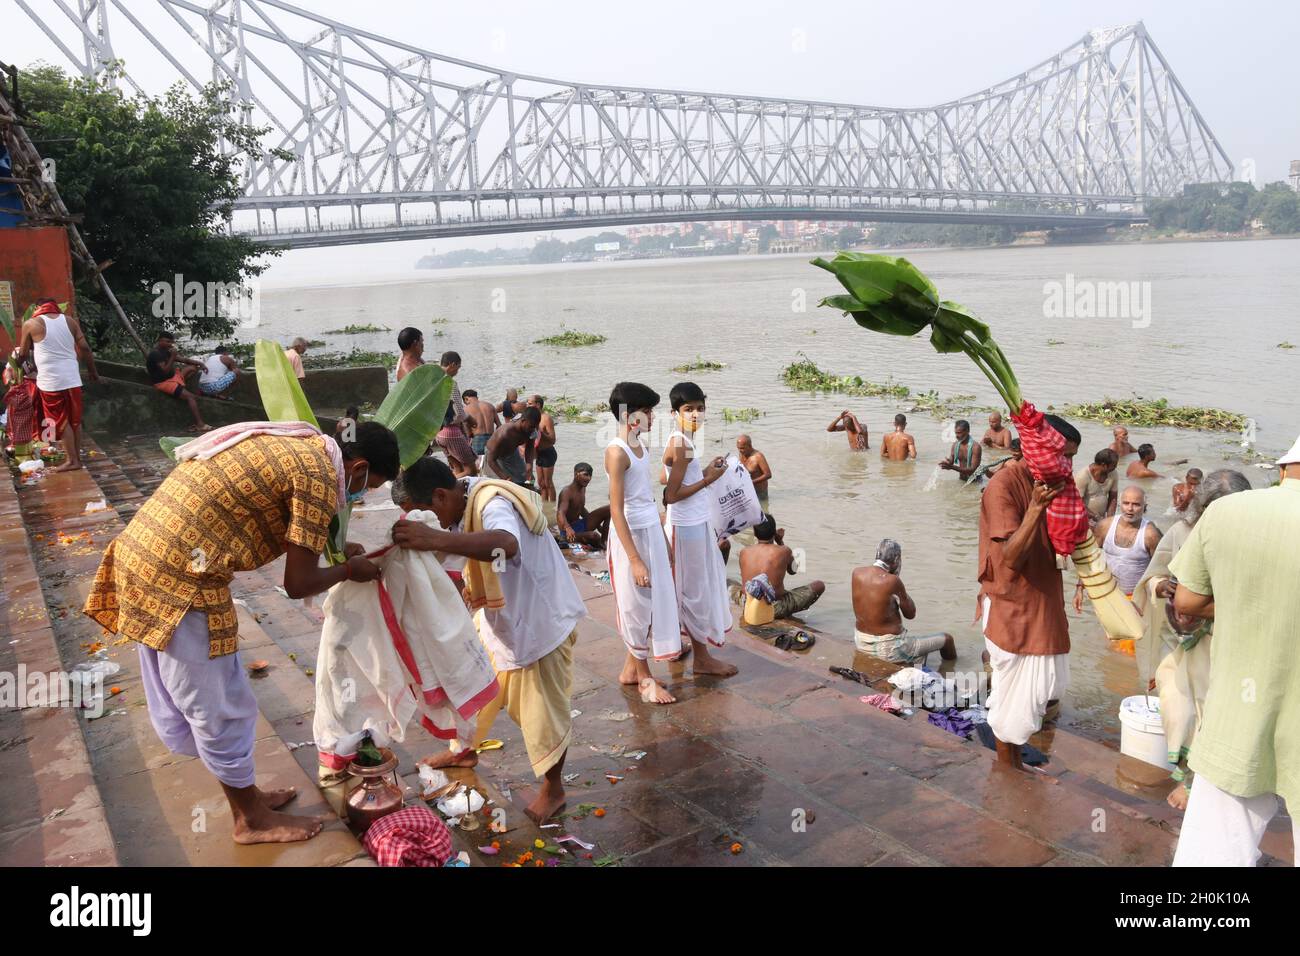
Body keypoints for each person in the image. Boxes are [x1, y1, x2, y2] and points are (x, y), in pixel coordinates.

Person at [83, 420, 398, 843]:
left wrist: (340, 555)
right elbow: (297, 584)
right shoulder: (320, 474)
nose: (362, 495)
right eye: (368, 486)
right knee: (218, 703)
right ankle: (249, 820)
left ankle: (248, 797)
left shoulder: (302, 443)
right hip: (181, 578)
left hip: (149, 554)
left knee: (221, 693)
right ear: (357, 466)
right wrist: (347, 571)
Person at [392, 457, 587, 824]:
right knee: (471, 686)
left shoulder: (492, 501)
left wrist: (435, 537)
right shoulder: (460, 503)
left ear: (438, 497)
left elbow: (506, 544)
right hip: (499, 616)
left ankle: (554, 788)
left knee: (541, 712)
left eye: (422, 515)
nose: (426, 525)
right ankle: (463, 751)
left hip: (538, 623)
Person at [1168, 437, 1300, 866]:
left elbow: (1185, 603)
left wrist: (1247, 604)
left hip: (1239, 716)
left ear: (1283, 470)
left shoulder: (1226, 512)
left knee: (1214, 848)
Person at [1132, 470, 1250, 810]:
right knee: (1180, 708)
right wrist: (1161, 587)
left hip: (1226, 640)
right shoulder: (1182, 532)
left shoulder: (1250, 541)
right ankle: (1186, 775)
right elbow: (1151, 578)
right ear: (1202, 508)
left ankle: (1203, 780)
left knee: (1217, 712)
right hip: (1179, 637)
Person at [978, 414, 1080, 771]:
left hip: (1042, 603)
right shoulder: (1003, 486)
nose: (1068, 465)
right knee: (1014, 700)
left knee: (1037, 694)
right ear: (1042, 452)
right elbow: (1010, 558)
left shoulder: (1055, 482)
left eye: (1072, 458)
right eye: (1063, 456)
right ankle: (1009, 770)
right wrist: (1036, 507)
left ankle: (1014, 759)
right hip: (1015, 609)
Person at [604, 382, 680, 704]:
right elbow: (616, 510)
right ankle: (645, 679)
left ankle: (629, 670)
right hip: (629, 537)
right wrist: (634, 558)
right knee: (635, 605)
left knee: (652, 600)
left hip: (650, 529)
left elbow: (647, 497)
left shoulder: (640, 447)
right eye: (647, 411)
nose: (652, 417)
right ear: (630, 414)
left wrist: (663, 539)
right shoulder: (617, 451)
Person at [662, 382, 737, 678]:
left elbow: (664, 473)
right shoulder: (682, 442)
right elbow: (671, 494)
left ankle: (680, 643)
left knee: (686, 587)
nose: (695, 414)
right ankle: (702, 659)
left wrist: (704, 471)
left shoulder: (682, 441)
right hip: (686, 525)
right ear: (674, 412)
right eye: (688, 409)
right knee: (693, 591)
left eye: (700, 408)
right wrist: (709, 480)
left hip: (691, 522)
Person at [17, 298, 99, 471]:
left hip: (51, 381)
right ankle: (76, 458)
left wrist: (18, 366)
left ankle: (72, 461)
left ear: (38, 308)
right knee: (75, 420)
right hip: (72, 378)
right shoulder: (69, 321)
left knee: (60, 421)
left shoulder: (31, 323)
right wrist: (93, 372)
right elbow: (85, 348)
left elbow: (23, 353)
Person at [852, 538, 955, 664]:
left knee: (918, 654)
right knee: (947, 639)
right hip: (888, 649)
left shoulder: (857, 573)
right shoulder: (892, 581)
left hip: (861, 642)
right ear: (896, 560)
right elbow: (910, 614)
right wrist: (899, 584)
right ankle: (951, 672)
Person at [1076, 487, 1162, 612]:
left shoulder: (1150, 534)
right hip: (1107, 594)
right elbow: (1090, 558)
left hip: (1136, 600)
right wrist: (1079, 588)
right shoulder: (1105, 526)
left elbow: (1160, 570)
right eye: (1126, 503)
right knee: (1105, 631)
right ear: (1120, 504)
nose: (1130, 509)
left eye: (1136, 504)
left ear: (1145, 507)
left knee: (1135, 631)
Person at [738, 514, 825, 619]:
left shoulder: (744, 552)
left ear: (755, 533)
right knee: (819, 585)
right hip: (774, 608)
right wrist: (780, 542)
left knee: (734, 585)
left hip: (747, 604)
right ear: (775, 532)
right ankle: (785, 614)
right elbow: (794, 570)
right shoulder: (784, 550)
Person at [146, 331, 209, 433]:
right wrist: (172, 357)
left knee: (192, 368)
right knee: (191, 397)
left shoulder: (166, 351)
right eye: (167, 342)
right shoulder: (155, 354)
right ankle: (200, 424)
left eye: (171, 342)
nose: (170, 344)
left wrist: (200, 363)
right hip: (163, 382)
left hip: (173, 377)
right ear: (159, 341)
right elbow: (165, 370)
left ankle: (179, 388)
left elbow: (183, 359)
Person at [434, 351, 477, 477]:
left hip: (439, 433)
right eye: (458, 368)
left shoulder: (434, 381)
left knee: (457, 469)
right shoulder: (450, 383)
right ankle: (443, 485)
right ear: (452, 365)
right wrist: (469, 418)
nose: (457, 372)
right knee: (471, 471)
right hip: (452, 432)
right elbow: (458, 413)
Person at [556, 463, 610, 549]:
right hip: (568, 532)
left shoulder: (583, 488)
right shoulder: (567, 492)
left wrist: (598, 526)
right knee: (594, 536)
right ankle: (600, 545)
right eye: (585, 475)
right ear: (576, 474)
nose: (588, 478)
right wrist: (568, 528)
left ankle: (605, 542)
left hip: (580, 524)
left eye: (590, 476)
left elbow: (581, 509)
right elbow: (560, 513)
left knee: (610, 509)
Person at [484, 406, 540, 485]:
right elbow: (491, 460)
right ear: (523, 421)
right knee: (502, 485)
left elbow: (530, 447)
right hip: (495, 457)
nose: (532, 430)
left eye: (534, 427)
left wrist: (529, 464)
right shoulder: (504, 434)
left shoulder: (531, 430)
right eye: (531, 427)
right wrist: (505, 477)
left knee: (530, 480)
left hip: (512, 453)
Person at [1074, 448, 1119, 524]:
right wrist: (1094, 517)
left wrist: (1110, 519)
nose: (1115, 467)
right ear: (1104, 465)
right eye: (1114, 465)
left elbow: (1113, 498)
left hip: (1101, 519)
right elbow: (1077, 503)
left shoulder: (1113, 474)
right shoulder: (1083, 476)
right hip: (1083, 518)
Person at [527, 394, 559, 502]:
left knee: (548, 483)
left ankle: (553, 507)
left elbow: (552, 440)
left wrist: (540, 432)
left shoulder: (546, 418)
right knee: (541, 483)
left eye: (530, 403)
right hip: (538, 453)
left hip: (548, 452)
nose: (527, 405)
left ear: (538, 405)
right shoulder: (530, 418)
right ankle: (545, 507)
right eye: (527, 403)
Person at [463, 388, 499, 461]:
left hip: (477, 439)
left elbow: (467, 432)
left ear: (466, 399)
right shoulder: (490, 406)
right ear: (476, 397)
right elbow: (499, 425)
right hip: (492, 438)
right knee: (492, 462)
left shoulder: (466, 409)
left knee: (478, 464)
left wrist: (469, 436)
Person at [735, 434, 772, 500]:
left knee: (763, 509)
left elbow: (768, 474)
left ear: (750, 446)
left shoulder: (758, 457)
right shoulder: (741, 453)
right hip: (747, 491)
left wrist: (751, 482)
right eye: (738, 448)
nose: (740, 450)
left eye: (742, 448)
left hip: (759, 493)